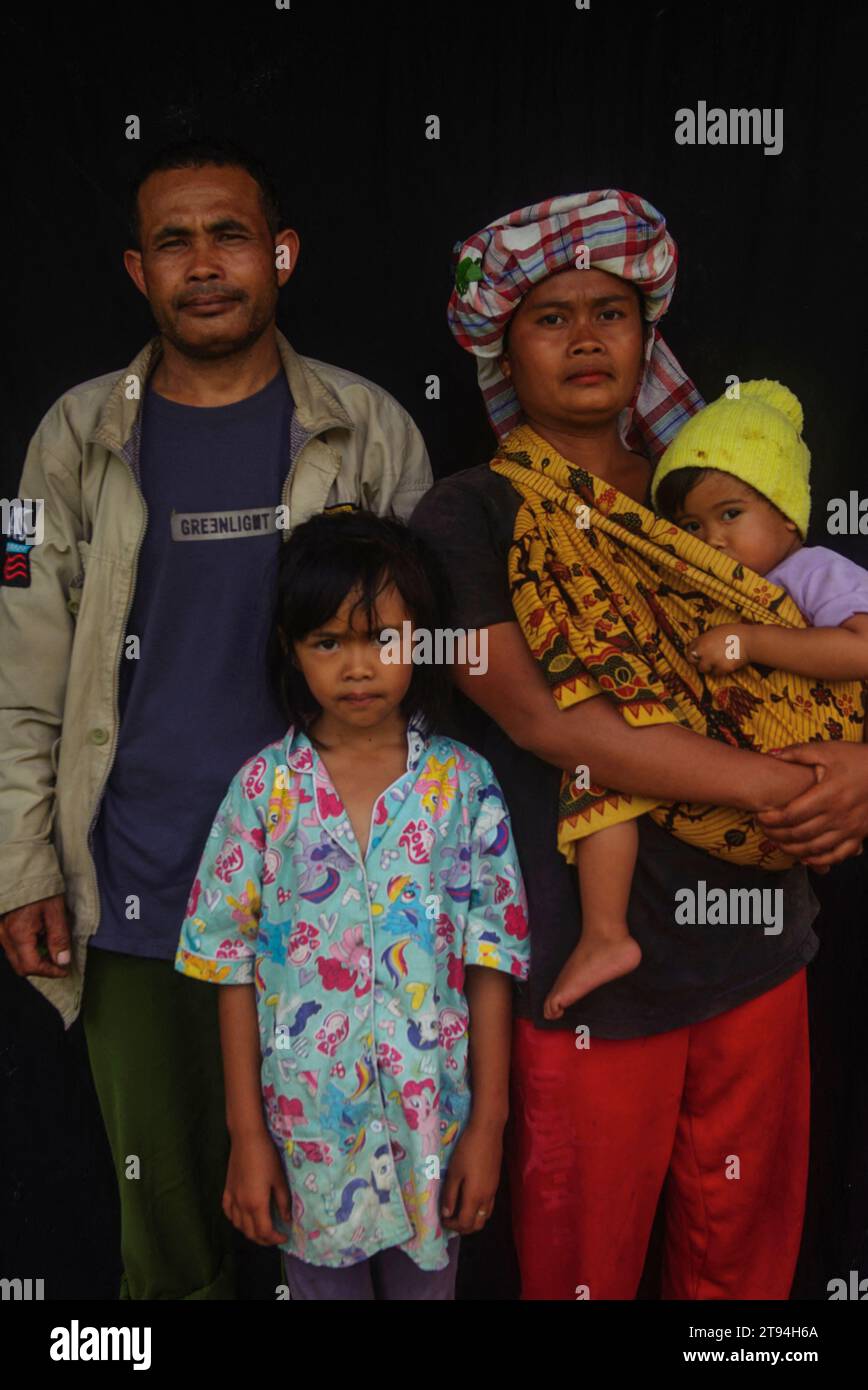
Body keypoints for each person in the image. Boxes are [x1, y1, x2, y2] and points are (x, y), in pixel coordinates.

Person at [410, 189, 868, 1301]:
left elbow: (832, 640)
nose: (583, 337)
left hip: (758, 943)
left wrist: (857, 770)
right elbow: (542, 716)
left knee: (743, 1268)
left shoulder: (716, 498)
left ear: (644, 334)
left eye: (609, 312)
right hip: (588, 974)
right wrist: (790, 784)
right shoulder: (468, 513)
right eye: (549, 316)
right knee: (582, 1271)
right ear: (502, 350)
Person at [0, 138, 432, 1300]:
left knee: (346, 1224)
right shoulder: (77, 437)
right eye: (173, 241)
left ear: (280, 255)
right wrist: (19, 863)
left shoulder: (369, 427)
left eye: (229, 234)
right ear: (137, 271)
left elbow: (426, 672)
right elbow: (20, 663)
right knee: (172, 1232)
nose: (204, 263)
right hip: (140, 888)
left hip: (338, 901)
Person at [174, 511, 530, 1300]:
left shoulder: (463, 786)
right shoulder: (262, 791)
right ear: (291, 650)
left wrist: (489, 1126)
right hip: (309, 1142)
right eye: (327, 642)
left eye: (382, 639)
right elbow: (227, 963)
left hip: (432, 1137)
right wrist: (246, 1136)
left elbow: (491, 959)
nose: (357, 667)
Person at [516, 378, 868, 1019]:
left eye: (731, 514)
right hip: (707, 762)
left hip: (802, 774)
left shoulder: (815, 571)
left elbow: (861, 649)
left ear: (786, 513)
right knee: (601, 773)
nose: (711, 539)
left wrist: (752, 642)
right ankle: (605, 933)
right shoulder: (696, 588)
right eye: (690, 526)